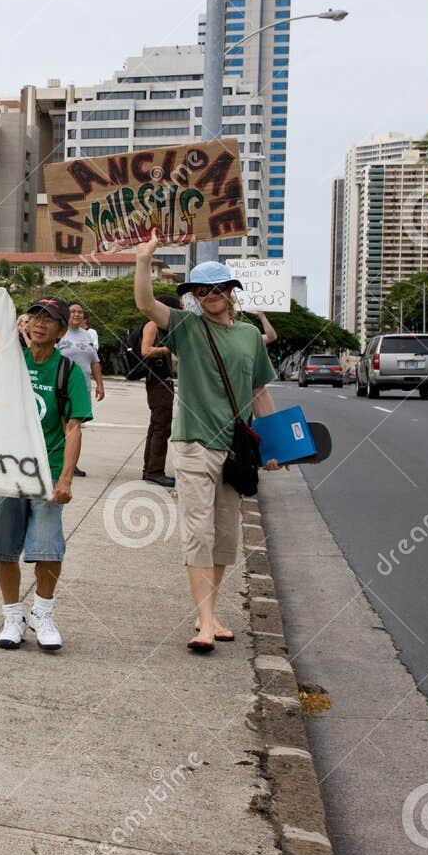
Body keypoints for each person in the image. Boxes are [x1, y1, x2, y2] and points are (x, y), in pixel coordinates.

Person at [133, 238, 281, 653]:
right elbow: (147, 305)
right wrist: (144, 260)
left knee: (224, 536)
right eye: (202, 290)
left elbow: (259, 393)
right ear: (193, 296)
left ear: (230, 291)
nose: (211, 296)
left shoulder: (251, 336)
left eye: (217, 289)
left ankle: (212, 612)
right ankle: (203, 622)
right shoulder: (186, 327)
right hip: (195, 445)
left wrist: (275, 449)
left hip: (237, 450)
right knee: (198, 532)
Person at [0, 296, 93, 652]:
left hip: (47, 472)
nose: (40, 322)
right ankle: (12, 617)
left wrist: (66, 479)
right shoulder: (10, 363)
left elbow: (74, 427)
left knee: (48, 548)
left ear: (62, 330)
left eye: (50, 319)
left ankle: (43, 613)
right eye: (35, 316)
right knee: (3, 546)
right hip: (7, 470)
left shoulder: (68, 372)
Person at [55, 302, 104, 477]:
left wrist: (100, 384)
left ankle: (71, 464)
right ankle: (58, 462)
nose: (76, 314)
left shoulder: (87, 335)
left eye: (80, 312)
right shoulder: (59, 333)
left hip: (82, 388)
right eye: (73, 311)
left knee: (76, 427)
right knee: (60, 426)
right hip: (60, 387)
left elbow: (94, 361)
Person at [139, 294, 182, 487]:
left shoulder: (162, 326)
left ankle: (150, 469)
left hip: (162, 381)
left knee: (157, 426)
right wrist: (168, 348)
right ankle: (154, 472)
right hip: (157, 382)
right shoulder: (153, 324)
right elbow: (146, 350)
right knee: (161, 427)